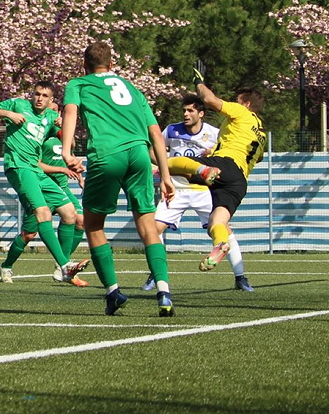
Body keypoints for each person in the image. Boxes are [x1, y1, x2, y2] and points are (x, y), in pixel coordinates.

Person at [60, 41, 177, 317]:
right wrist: (166, 175)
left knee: (93, 224)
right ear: (112, 65)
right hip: (139, 156)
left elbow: (70, 113)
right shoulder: (133, 89)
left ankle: (113, 292)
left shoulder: (78, 84)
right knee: (148, 226)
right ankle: (164, 292)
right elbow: (156, 135)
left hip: (107, 155)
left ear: (84, 65)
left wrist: (67, 152)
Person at [141, 95, 255, 292]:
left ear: (201, 113)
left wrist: (211, 152)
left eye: (190, 110)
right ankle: (156, 274)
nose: (186, 114)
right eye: (184, 110)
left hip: (204, 189)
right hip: (177, 188)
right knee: (152, 230)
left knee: (224, 228)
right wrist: (164, 164)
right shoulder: (171, 129)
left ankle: (240, 277)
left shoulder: (214, 133)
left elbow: (224, 151)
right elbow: (154, 150)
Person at [0, 83, 88, 286]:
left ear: (50, 100)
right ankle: (65, 267)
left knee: (69, 212)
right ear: (32, 96)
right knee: (41, 217)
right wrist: (7, 114)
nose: (39, 98)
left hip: (37, 171)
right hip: (19, 167)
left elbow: (69, 143)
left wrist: (63, 127)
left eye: (44, 96)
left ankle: (60, 267)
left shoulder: (49, 118)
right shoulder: (19, 105)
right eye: (37, 94)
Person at [167, 61, 266, 278]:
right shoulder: (262, 134)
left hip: (227, 164)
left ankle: (172, 169)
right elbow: (255, 158)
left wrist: (199, 82)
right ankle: (220, 245)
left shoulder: (241, 112)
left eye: (237, 101)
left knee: (177, 162)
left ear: (246, 104)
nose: (233, 104)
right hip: (239, 181)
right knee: (217, 222)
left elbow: (210, 100)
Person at [38, 104, 89, 286]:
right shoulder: (39, 132)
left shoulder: (61, 132)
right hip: (44, 184)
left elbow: (72, 149)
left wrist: (80, 176)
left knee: (81, 220)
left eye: (55, 111)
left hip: (63, 185)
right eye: (49, 111)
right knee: (28, 234)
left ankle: (64, 267)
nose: (53, 114)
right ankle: (6, 266)